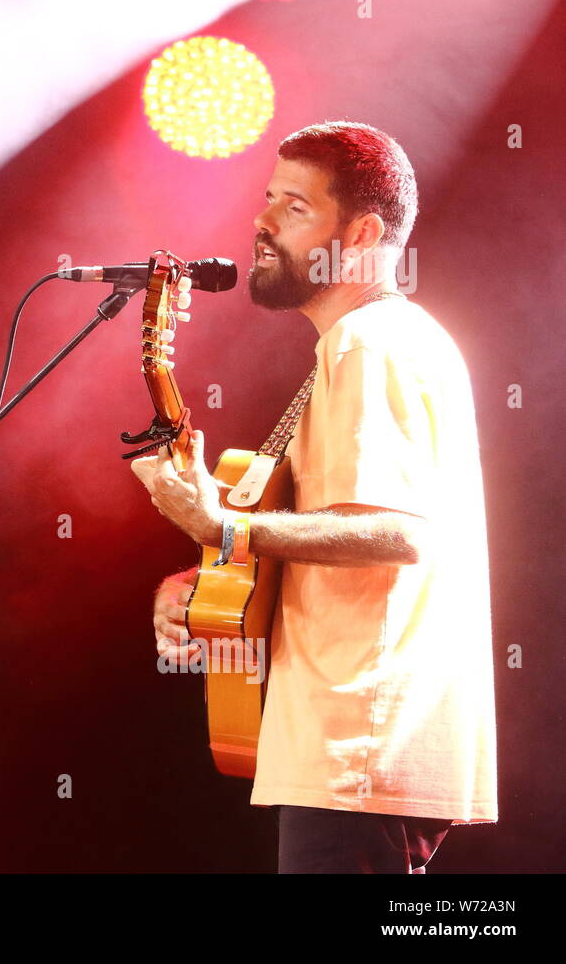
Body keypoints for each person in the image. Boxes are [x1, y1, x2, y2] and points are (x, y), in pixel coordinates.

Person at [132, 121, 498, 874]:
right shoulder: (362, 344)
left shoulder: (370, 343)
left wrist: (223, 526)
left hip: (356, 745)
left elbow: (396, 533)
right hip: (348, 746)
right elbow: (322, 534)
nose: (261, 223)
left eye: (295, 208)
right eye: (268, 199)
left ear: (360, 233)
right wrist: (203, 584)